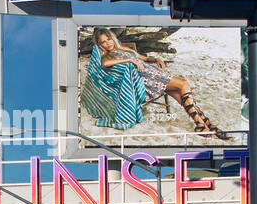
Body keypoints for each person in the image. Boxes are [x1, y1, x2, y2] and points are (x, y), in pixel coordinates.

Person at [85, 28, 229, 139]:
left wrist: (155, 59)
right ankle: (202, 124)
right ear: (100, 45)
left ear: (113, 38)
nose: (107, 43)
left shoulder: (123, 49)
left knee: (179, 92)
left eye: (108, 39)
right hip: (148, 80)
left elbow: (144, 58)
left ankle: (204, 124)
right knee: (183, 84)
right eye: (103, 42)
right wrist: (129, 61)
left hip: (154, 73)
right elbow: (105, 64)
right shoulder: (108, 56)